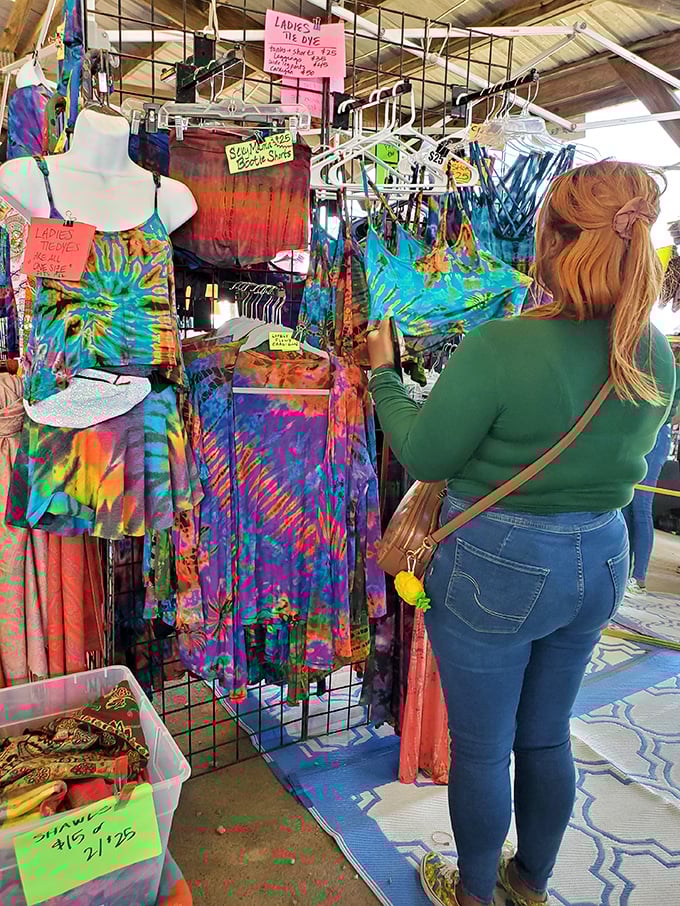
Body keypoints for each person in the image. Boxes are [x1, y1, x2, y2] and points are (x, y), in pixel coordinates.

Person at [367, 161, 675, 906]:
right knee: (546, 734)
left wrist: (385, 378)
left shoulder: (501, 345)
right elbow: (641, 459)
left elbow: (429, 455)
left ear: (553, 240)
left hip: (498, 564)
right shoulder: (653, 350)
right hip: (602, 556)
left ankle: (474, 893)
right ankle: (528, 882)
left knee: (482, 748)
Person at [623, 376, 680, 594]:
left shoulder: (672, 369)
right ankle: (624, 571)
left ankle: (639, 577)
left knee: (641, 505)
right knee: (626, 505)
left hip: (656, 432)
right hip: (636, 430)